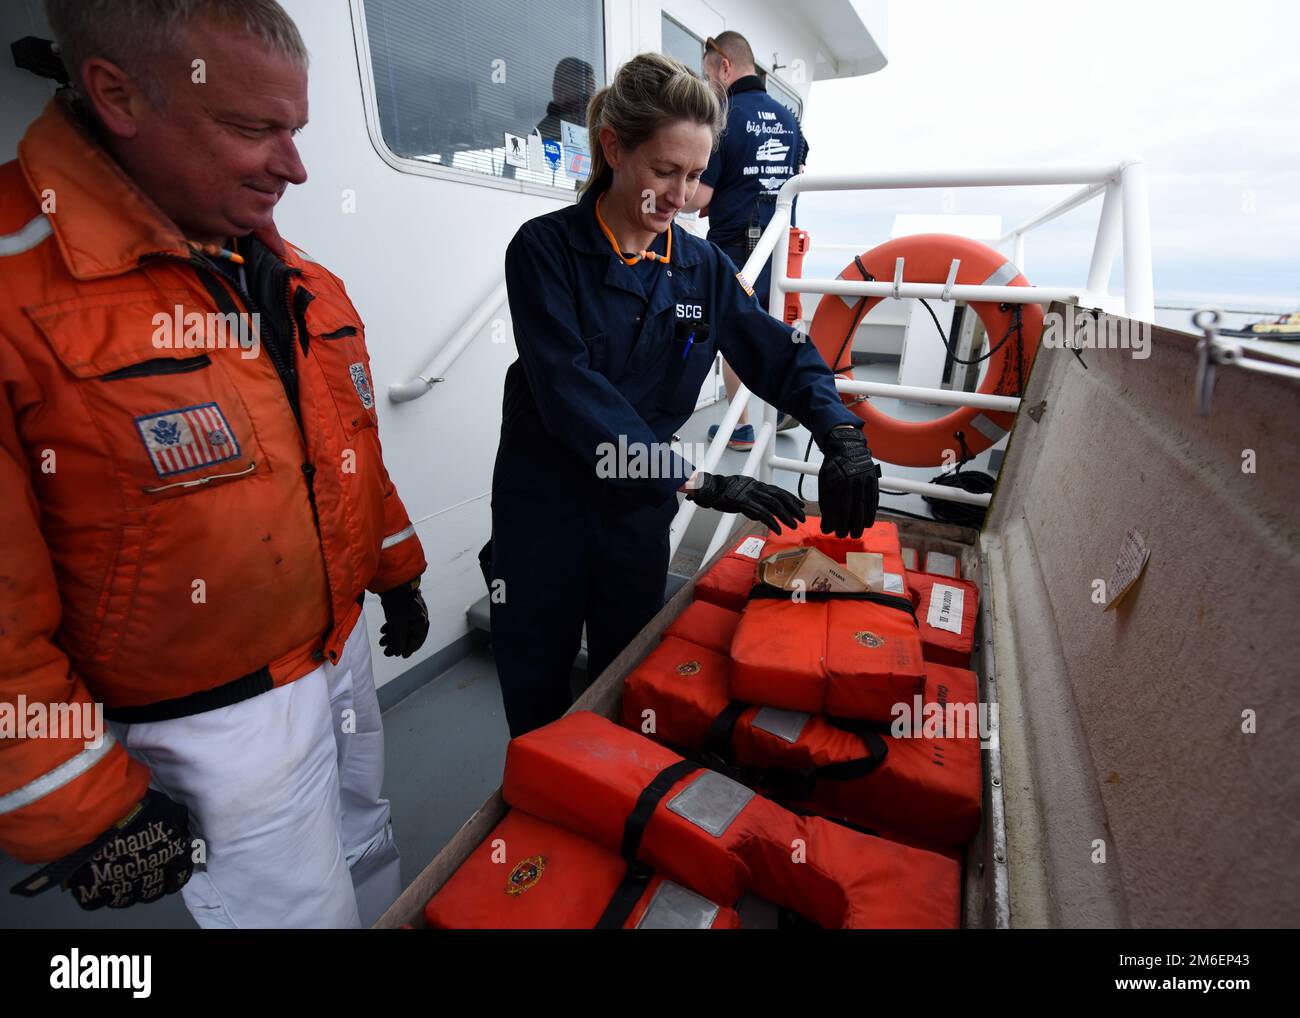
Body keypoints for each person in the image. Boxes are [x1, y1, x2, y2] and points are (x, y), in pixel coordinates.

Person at [0, 0, 428, 928]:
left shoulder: (303, 280)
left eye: (297, 128)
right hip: (213, 717)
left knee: (367, 838)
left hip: (340, 645)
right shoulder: (13, 284)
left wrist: (394, 573)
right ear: (116, 92)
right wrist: (71, 799)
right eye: (251, 129)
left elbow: (349, 448)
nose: (296, 166)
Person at [484, 53, 880, 738]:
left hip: (634, 514)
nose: (680, 195)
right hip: (544, 507)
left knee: (631, 673)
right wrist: (695, 479)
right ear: (613, 148)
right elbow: (570, 393)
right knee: (536, 690)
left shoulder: (700, 266)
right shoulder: (542, 252)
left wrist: (838, 430)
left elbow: (773, 348)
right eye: (664, 171)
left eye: (696, 177)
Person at [685, 31, 808, 450]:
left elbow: (698, 197)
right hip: (779, 243)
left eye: (708, 76)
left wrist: (698, 195)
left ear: (725, 66)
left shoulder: (724, 115)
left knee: (732, 330)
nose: (709, 86)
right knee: (773, 323)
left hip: (735, 246)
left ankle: (740, 428)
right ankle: (783, 400)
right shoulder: (789, 117)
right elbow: (798, 171)